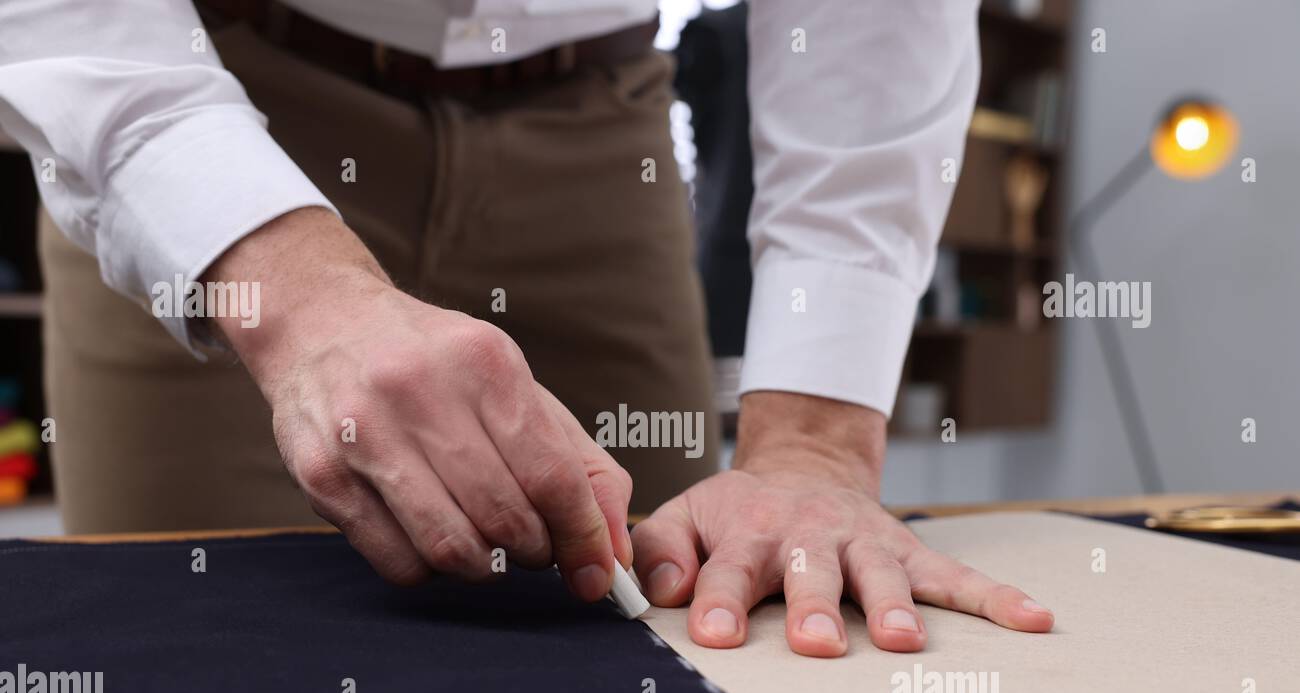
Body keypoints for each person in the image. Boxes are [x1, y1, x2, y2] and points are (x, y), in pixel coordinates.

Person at [0, 0, 1055, 657]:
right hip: (206, 86)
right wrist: (298, 296)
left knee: (684, 661)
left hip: (599, 116)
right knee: (195, 679)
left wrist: (815, 445)